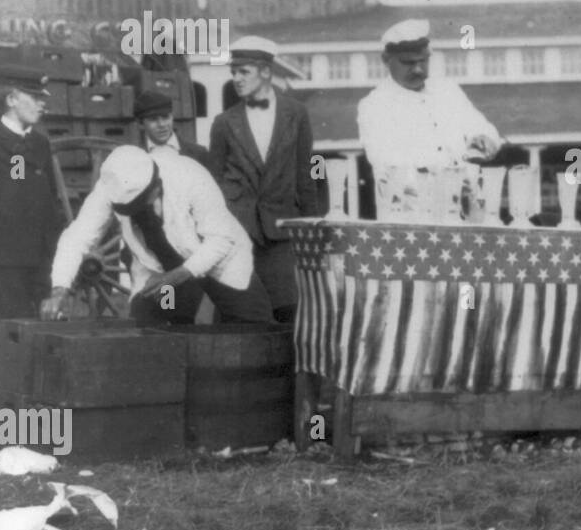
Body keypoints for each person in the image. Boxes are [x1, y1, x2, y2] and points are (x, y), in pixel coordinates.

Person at [41, 145, 272, 325]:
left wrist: (179, 274)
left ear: (156, 186)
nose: (137, 213)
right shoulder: (110, 187)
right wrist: (59, 288)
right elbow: (77, 237)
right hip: (161, 274)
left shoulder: (190, 176)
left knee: (252, 327)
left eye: (142, 204)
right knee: (157, 328)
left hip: (222, 262)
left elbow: (221, 239)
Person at [209, 35, 326, 324]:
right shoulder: (223, 123)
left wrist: (311, 229)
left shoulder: (297, 114)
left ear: (265, 72)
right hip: (239, 236)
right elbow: (213, 185)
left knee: (289, 314)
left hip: (282, 234)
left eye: (243, 72)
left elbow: (306, 175)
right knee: (238, 316)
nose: (236, 79)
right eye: (233, 72)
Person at [356, 19, 504, 218]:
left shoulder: (447, 90)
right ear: (386, 60)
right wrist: (451, 178)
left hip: (464, 213)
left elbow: (482, 127)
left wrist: (485, 139)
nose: (418, 69)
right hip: (412, 217)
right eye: (408, 63)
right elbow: (389, 165)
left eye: (423, 60)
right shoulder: (374, 106)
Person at [0, 64, 64, 320]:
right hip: (6, 260)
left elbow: (50, 196)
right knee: (14, 332)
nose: (42, 105)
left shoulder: (40, 143)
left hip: (42, 258)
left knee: (47, 332)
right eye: (36, 98)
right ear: (12, 99)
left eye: (43, 98)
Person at [135, 90, 216, 176]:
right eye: (153, 119)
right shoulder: (134, 157)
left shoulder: (199, 153)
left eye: (165, 117)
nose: (161, 124)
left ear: (172, 117)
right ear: (140, 124)